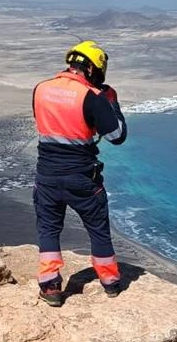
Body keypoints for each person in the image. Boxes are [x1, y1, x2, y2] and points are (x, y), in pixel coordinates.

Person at [31, 40, 128, 307]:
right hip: (82, 177)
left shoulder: (40, 89)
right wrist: (111, 103)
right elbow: (117, 136)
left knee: (49, 229)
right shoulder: (91, 97)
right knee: (98, 229)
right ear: (94, 69)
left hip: (47, 174)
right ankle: (110, 282)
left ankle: (50, 286)